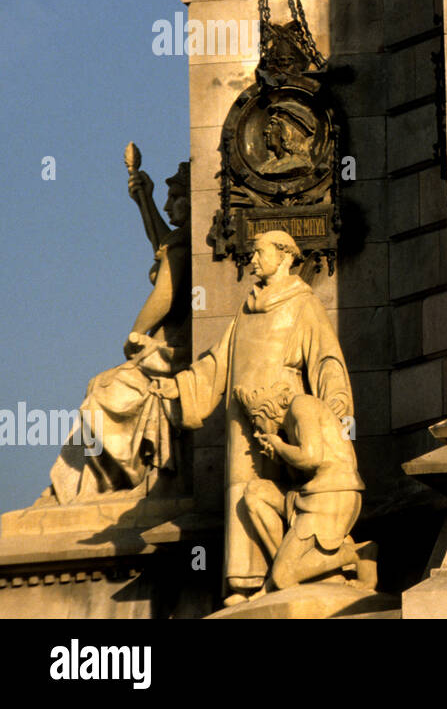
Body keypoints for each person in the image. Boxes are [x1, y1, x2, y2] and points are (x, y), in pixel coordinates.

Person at [154, 230, 354, 604]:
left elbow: (326, 359)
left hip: (283, 411)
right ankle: (245, 582)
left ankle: (302, 568)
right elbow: (218, 360)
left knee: (289, 488)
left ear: (285, 255)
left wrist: (334, 406)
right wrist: (181, 387)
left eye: (260, 252)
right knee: (242, 489)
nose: (253, 259)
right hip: (241, 415)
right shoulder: (246, 308)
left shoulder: (303, 303)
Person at [45, 160, 191, 504]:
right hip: (169, 348)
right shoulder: (184, 241)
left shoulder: (184, 246)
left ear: (194, 198)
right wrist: (144, 199)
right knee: (101, 386)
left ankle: (102, 483)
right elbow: (162, 242)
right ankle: (87, 484)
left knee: (103, 390)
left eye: (175, 197)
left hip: (175, 352)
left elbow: (166, 293)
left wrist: (136, 334)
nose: (168, 206)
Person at [238, 381, 375, 598]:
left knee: (283, 577)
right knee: (256, 492)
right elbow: (303, 474)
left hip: (332, 495)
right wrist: (280, 457)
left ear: (267, 410)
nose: (256, 432)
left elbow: (311, 458)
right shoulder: (291, 422)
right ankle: (298, 572)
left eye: (255, 421)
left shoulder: (302, 405)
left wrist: (278, 444)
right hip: (312, 495)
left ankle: (356, 555)